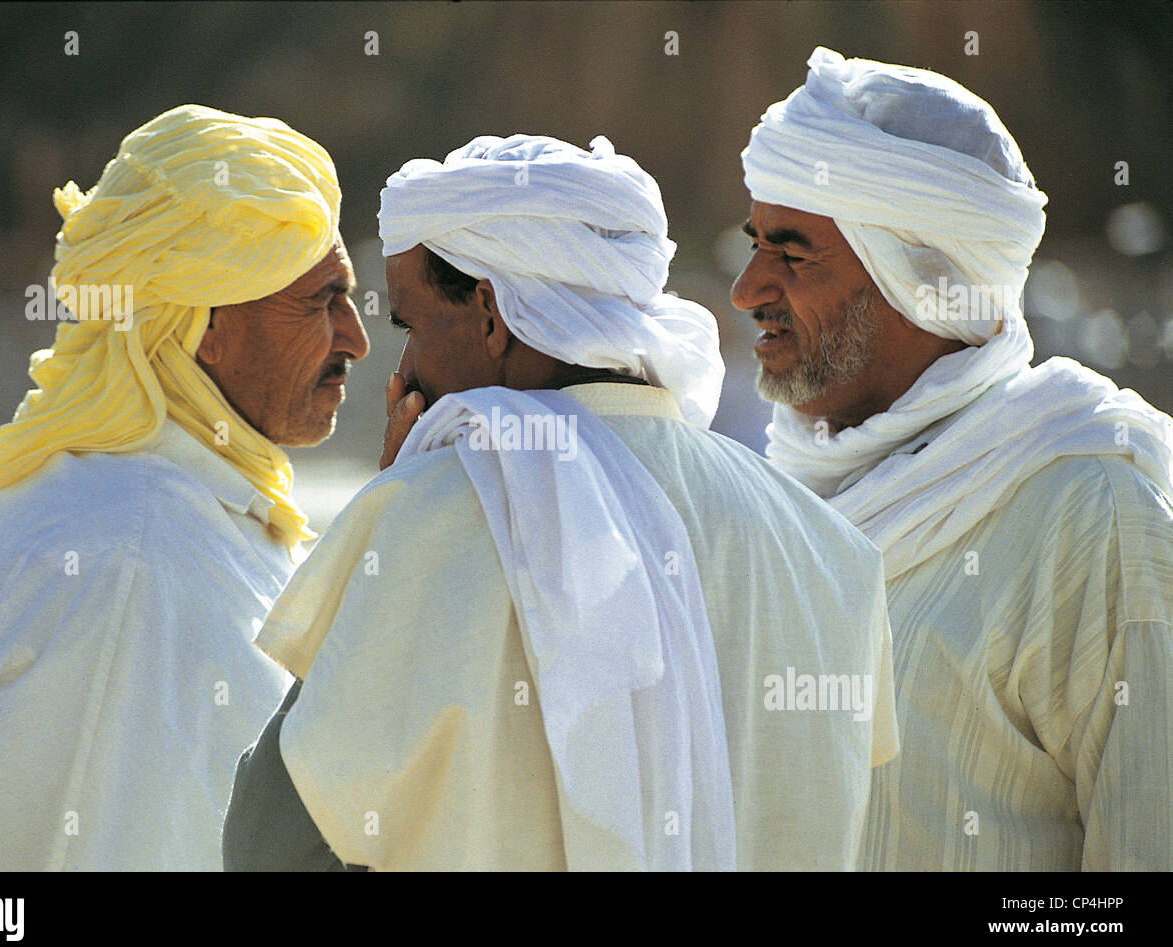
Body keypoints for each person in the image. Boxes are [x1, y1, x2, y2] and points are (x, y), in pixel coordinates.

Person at [223, 134, 898, 872]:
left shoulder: (425, 519)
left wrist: (391, 518)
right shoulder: (830, 553)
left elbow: (267, 844)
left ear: (491, 313)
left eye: (412, 325)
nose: (407, 367)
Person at [0, 105, 369, 870]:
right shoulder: (130, 555)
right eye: (321, 301)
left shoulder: (169, 502)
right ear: (205, 325)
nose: (356, 339)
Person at [733, 48, 1173, 870]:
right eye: (755, 243)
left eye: (791, 254)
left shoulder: (1092, 513)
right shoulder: (776, 504)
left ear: (920, 282)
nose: (746, 288)